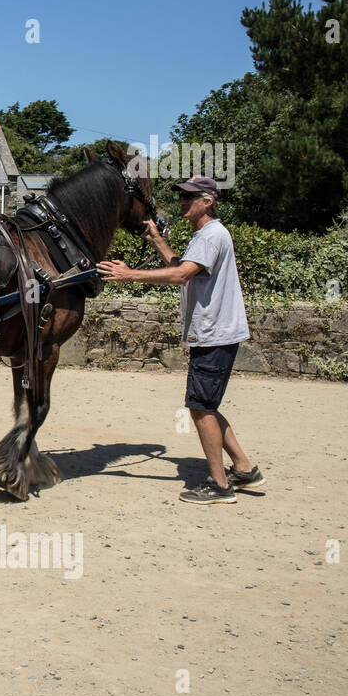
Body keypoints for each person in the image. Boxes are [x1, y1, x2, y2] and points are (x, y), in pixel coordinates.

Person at [96, 176, 265, 504]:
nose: (183, 203)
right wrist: (158, 240)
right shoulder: (208, 235)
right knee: (207, 406)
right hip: (216, 333)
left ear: (209, 202)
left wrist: (129, 274)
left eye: (190, 198)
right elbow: (182, 266)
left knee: (200, 409)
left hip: (214, 334)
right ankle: (243, 468)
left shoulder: (211, 235)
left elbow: (180, 275)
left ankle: (220, 486)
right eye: (182, 198)